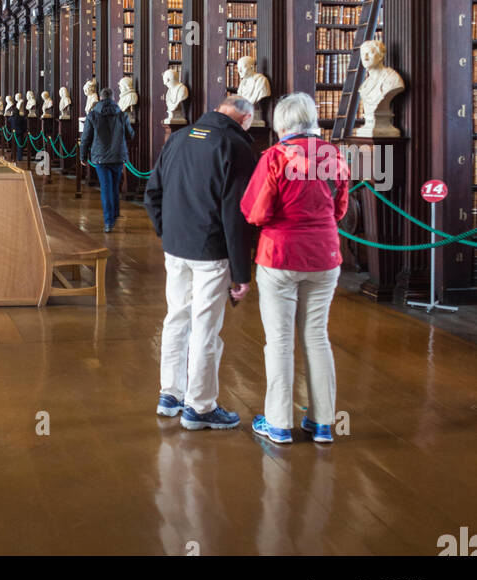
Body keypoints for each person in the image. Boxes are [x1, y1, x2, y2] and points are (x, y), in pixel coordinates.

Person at [240, 92, 350, 446]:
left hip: (280, 256)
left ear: (282, 124)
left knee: (280, 341)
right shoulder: (334, 155)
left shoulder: (276, 156)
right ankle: (322, 424)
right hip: (324, 254)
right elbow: (341, 208)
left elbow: (255, 211)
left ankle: (279, 424)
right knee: (317, 337)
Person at [143, 96, 256, 431]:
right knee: (205, 326)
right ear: (246, 118)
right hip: (211, 252)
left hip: (176, 249)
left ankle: (170, 395)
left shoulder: (178, 138)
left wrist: (168, 232)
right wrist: (241, 273)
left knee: (176, 317)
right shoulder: (236, 146)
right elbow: (236, 217)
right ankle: (200, 407)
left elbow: (153, 194)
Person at [80, 87, 134, 232]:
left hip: (100, 158)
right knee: (115, 186)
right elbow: (130, 135)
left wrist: (82, 156)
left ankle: (109, 222)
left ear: (101, 98)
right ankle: (115, 214)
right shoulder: (121, 114)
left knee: (106, 188)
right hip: (117, 156)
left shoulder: (92, 115)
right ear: (113, 97)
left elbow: (85, 138)